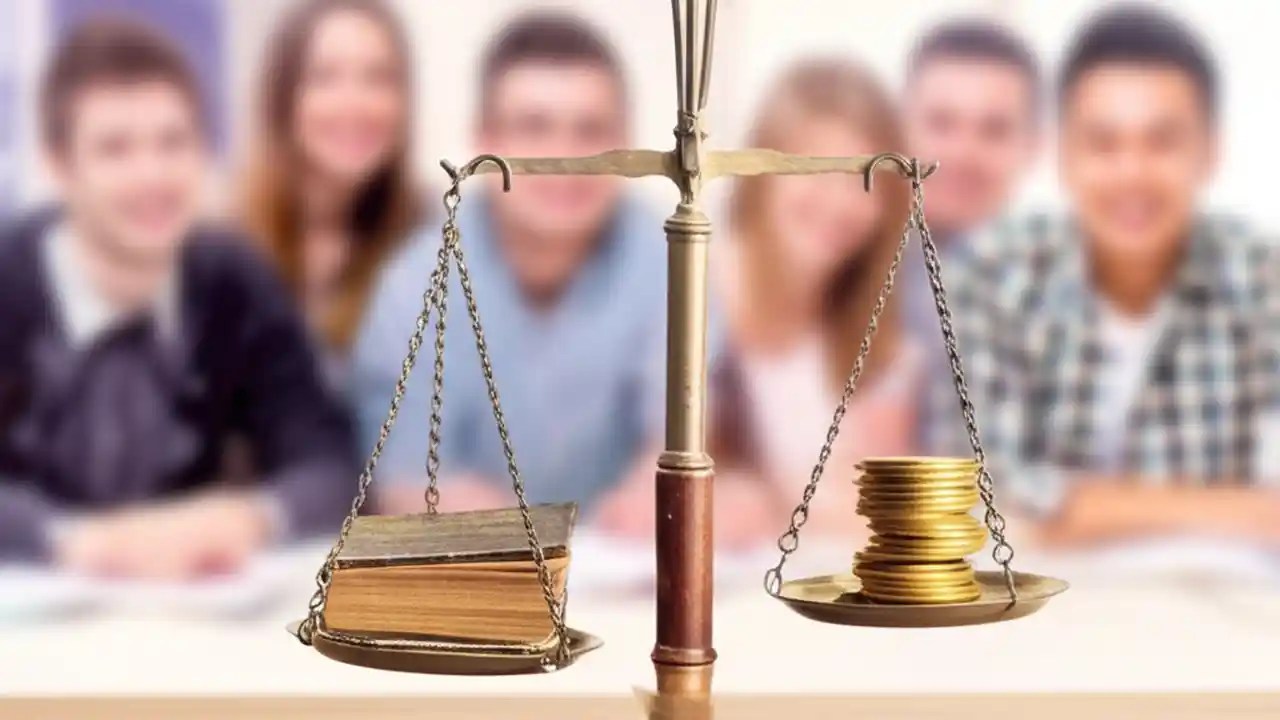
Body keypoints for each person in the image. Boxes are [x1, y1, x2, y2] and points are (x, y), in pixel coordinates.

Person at [0, 21, 355, 574]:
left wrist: (250, 517)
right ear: (57, 167)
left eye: (174, 142)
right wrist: (75, 540)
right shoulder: (9, 279)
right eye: (115, 149)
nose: (153, 175)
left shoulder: (231, 279)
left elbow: (329, 460)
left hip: (189, 621)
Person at [935, 5, 1280, 549]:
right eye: (1103, 142)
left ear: (1210, 153)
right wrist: (1234, 507)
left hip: (1212, 606)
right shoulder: (992, 274)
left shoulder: (1263, 279)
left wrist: (1078, 508)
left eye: (1162, 142)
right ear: (1063, 156)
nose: (1131, 172)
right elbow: (975, 493)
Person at [353, 14, 668, 522]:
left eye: (591, 130)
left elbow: (683, 440)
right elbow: (405, 485)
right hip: (475, 580)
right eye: (534, 128)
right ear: (483, 144)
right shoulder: (414, 284)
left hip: (629, 582)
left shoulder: (666, 259)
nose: (565, 157)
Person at [707, 59, 916, 536]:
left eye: (864, 181)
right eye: (816, 169)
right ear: (760, 175)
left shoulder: (882, 337)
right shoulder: (690, 291)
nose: (839, 202)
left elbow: (872, 515)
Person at [242, 0, 421, 375]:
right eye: (325, 77)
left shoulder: (435, 245)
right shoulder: (224, 247)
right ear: (283, 98)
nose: (354, 102)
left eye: (378, 78)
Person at [901, 20, 1042, 450]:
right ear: (901, 130)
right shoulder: (831, 261)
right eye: (942, 123)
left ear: (1033, 146)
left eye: (994, 130)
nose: (963, 153)